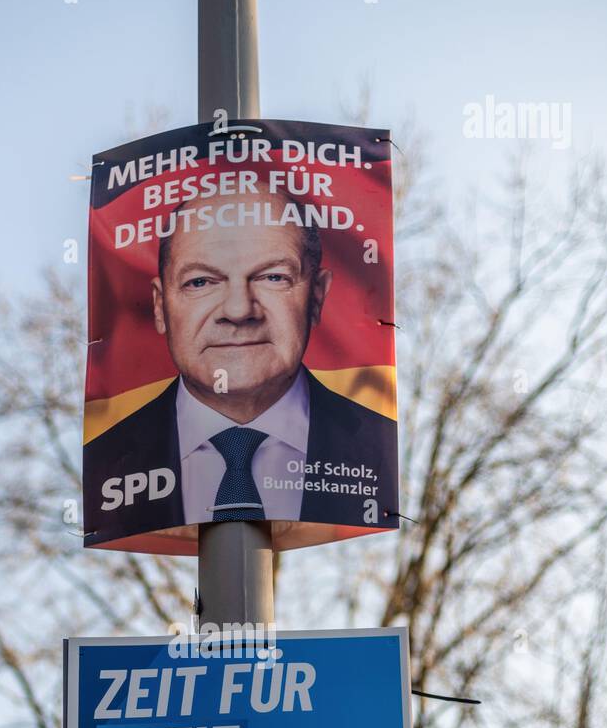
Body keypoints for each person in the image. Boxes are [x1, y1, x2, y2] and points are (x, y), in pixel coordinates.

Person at [82, 183, 397, 549]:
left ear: (317, 296)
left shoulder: (375, 453)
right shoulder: (108, 464)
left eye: (273, 277)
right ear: (159, 305)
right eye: (200, 282)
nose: (238, 310)